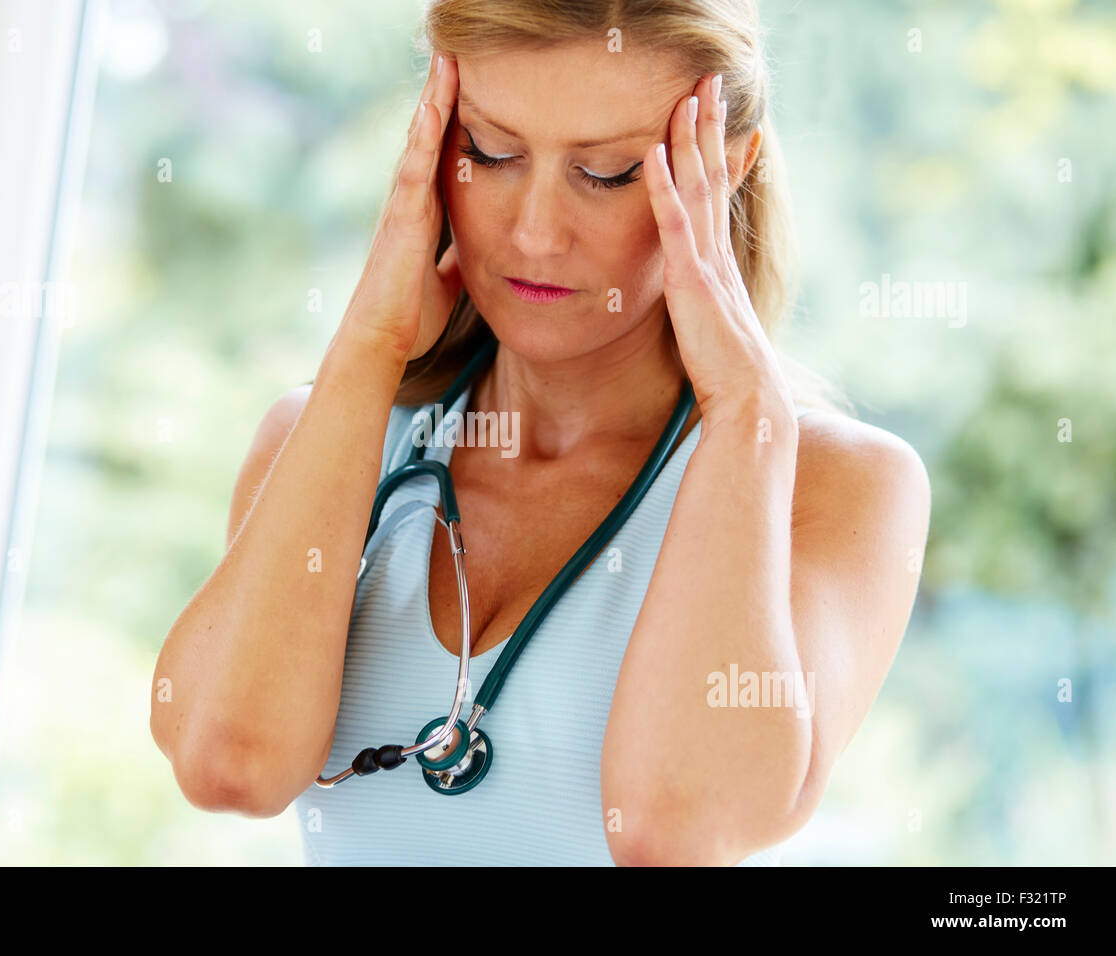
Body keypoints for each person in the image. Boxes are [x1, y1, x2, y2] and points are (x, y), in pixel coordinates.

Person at [150, 0, 932, 866]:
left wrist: (745, 412)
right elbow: (228, 765)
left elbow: (674, 826)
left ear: (727, 165)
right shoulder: (329, 435)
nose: (534, 232)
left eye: (605, 173)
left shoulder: (834, 488)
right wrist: (368, 350)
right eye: (491, 151)